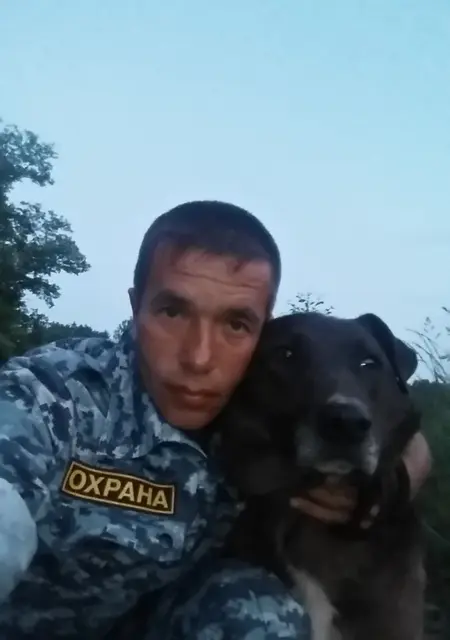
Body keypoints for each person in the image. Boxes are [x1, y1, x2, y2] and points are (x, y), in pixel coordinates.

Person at [0, 201, 431, 639]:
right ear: (136, 307)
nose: (199, 358)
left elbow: (397, 426)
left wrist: (398, 479)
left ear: (261, 332)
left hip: (150, 624)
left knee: (260, 613)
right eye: (173, 312)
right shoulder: (57, 393)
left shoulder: (257, 403)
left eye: (236, 324)